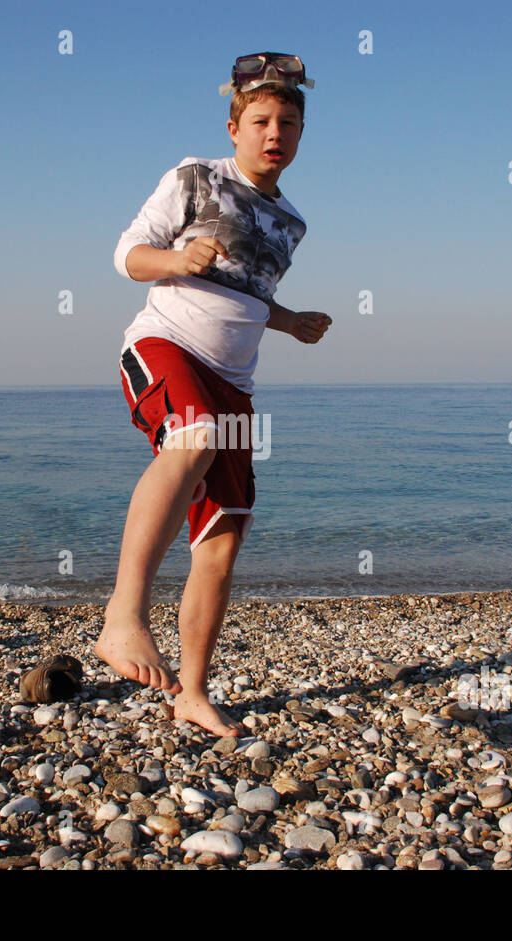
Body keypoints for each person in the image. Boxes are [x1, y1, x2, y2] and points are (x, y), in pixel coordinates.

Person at [95, 53, 332, 737]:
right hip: (164, 346)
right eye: (260, 120)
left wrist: (290, 321)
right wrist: (177, 260)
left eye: (288, 122)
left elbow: (249, 294)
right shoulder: (196, 179)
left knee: (225, 530)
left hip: (234, 380)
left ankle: (192, 692)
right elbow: (128, 255)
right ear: (235, 126)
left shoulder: (291, 223)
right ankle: (123, 618)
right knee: (190, 439)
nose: (274, 132)